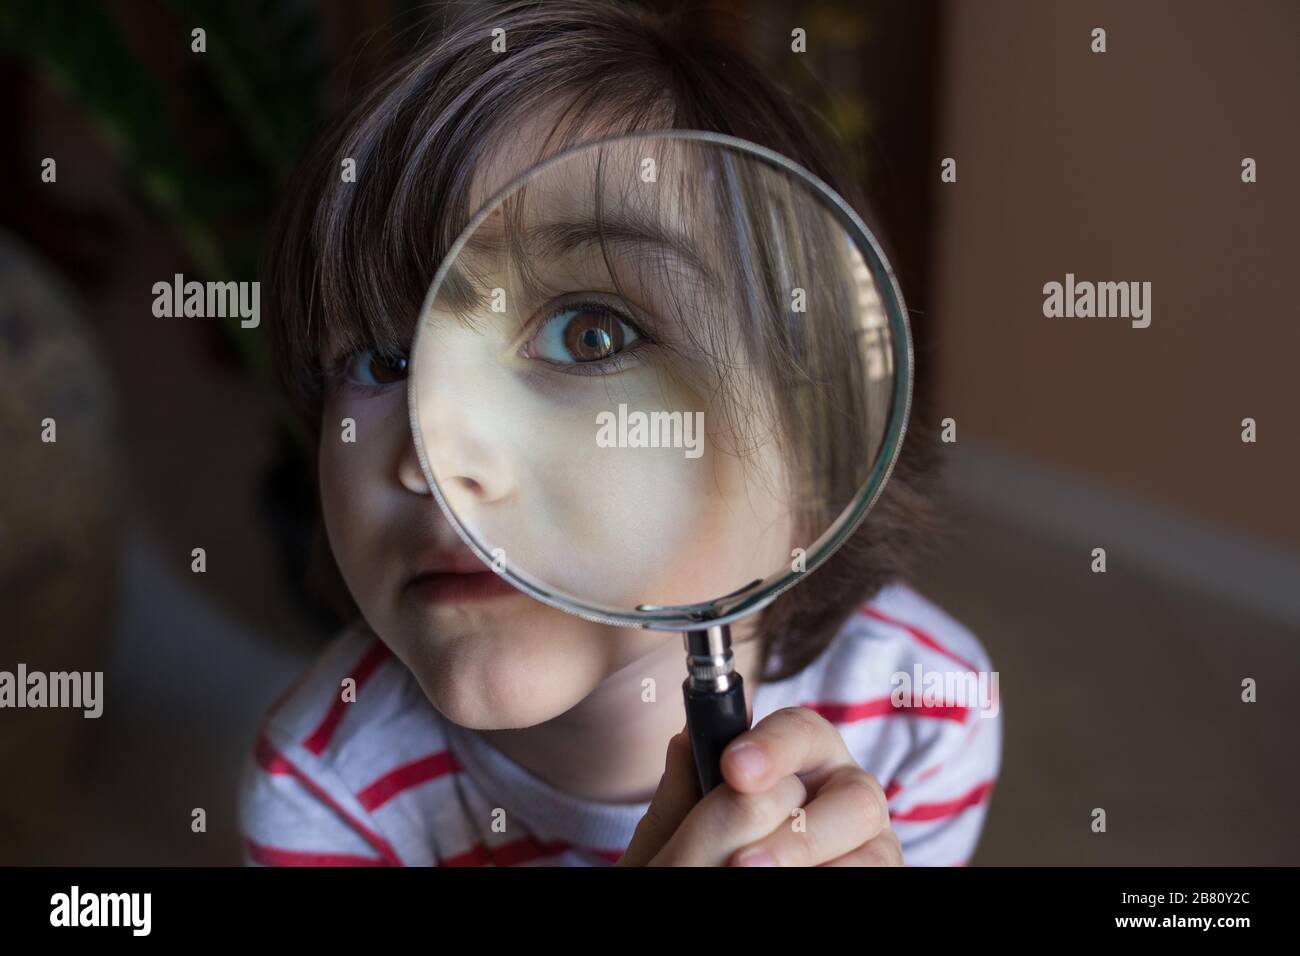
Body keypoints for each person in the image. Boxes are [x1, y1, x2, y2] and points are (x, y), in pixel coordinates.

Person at [240, 0, 1000, 867]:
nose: (434, 459)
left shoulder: (924, 709)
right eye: (381, 360)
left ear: (813, 449)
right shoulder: (325, 794)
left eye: (590, 334)